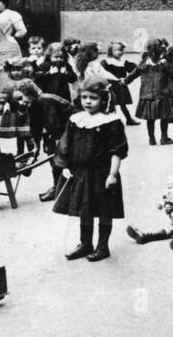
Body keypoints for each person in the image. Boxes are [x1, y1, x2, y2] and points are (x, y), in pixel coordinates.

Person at [53, 79, 128, 262]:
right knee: (84, 209)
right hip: (80, 173)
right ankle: (85, 243)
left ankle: (103, 246)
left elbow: (117, 151)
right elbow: (66, 145)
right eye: (84, 97)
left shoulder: (111, 122)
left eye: (93, 98)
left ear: (103, 100)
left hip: (101, 174)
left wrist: (112, 174)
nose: (87, 101)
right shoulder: (76, 120)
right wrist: (66, 166)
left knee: (104, 209)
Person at [135, 38, 173, 145]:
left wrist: (125, 81)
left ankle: (152, 139)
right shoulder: (163, 63)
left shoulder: (143, 63)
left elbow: (133, 74)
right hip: (162, 94)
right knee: (164, 117)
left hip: (147, 95)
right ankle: (164, 137)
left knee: (151, 118)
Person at [94, 41, 141, 127]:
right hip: (110, 86)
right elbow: (101, 73)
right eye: (117, 50)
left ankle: (129, 119)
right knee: (110, 103)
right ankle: (110, 121)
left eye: (121, 50)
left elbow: (134, 70)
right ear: (111, 51)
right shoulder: (106, 62)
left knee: (123, 104)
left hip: (121, 85)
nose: (120, 52)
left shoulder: (123, 62)